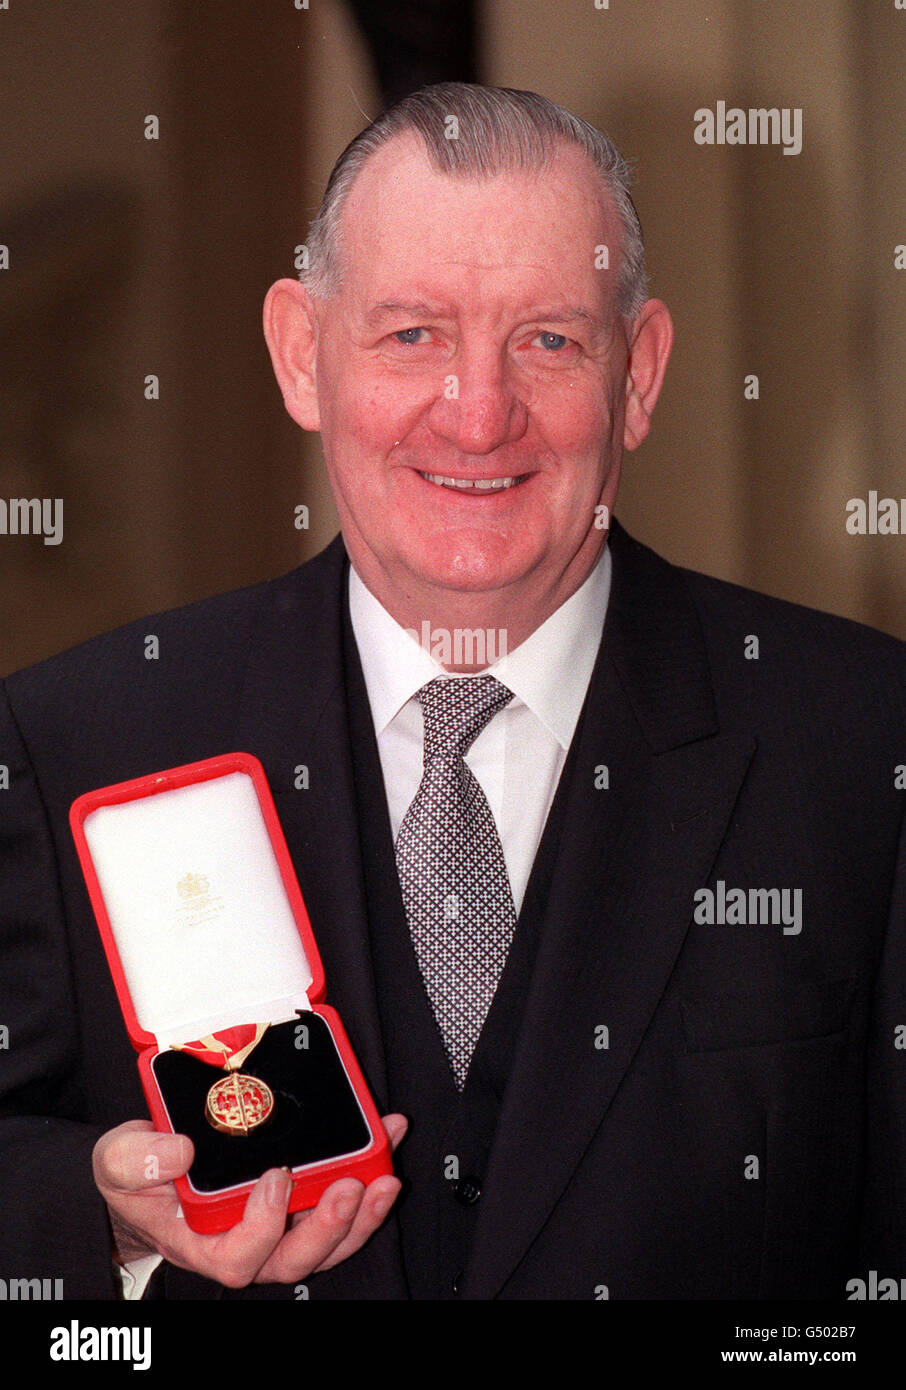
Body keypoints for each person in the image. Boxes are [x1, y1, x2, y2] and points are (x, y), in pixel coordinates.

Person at [1, 83, 904, 1301]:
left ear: (638, 375)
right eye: (413, 333)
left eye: (548, 339)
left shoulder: (861, 743)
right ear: (299, 354)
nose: (478, 416)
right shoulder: (75, 740)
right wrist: (105, 1222)